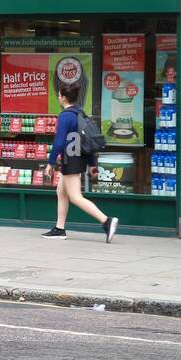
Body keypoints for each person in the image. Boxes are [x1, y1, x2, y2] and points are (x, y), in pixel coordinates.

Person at [43, 81, 118, 242]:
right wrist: (91, 164)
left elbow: (59, 142)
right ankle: (59, 229)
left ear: (63, 98)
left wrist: (50, 163)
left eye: (59, 95)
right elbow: (86, 141)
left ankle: (106, 221)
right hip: (76, 158)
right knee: (61, 192)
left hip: (71, 159)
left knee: (75, 197)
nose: (58, 97)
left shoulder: (65, 117)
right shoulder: (80, 114)